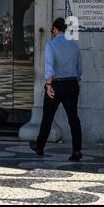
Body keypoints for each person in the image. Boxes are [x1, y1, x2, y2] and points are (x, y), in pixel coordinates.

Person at [29, 17, 82, 161]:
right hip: (72, 84)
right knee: (73, 118)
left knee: (47, 117)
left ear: (54, 29)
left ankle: (39, 146)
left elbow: (49, 66)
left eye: (52, 29)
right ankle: (77, 150)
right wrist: (74, 81)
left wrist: (48, 85)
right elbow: (79, 69)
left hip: (56, 85)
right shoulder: (74, 46)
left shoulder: (51, 45)